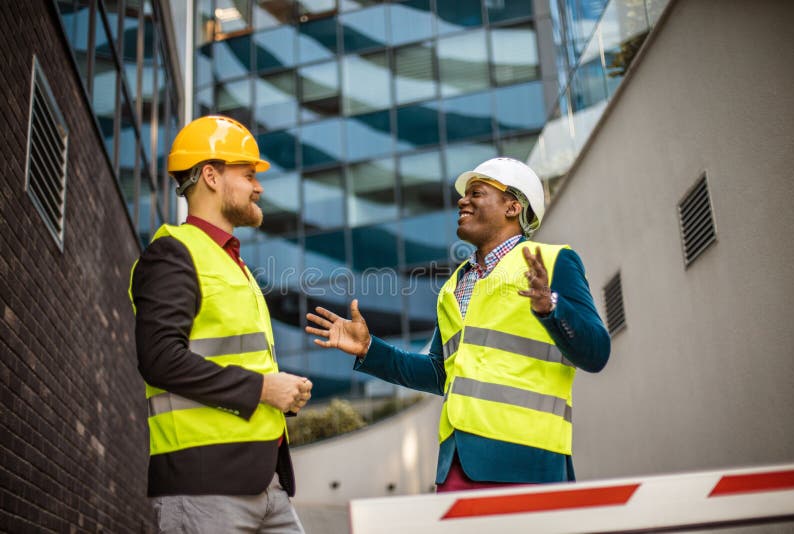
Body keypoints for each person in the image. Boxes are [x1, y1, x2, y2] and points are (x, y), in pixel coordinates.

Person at [306, 157, 610, 492]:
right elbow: (440, 374)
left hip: (529, 461)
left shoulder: (554, 262)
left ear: (512, 206)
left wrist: (550, 306)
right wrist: (369, 349)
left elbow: (596, 352)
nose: (462, 201)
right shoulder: (455, 285)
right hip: (456, 465)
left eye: (476, 193)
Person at [129, 115, 311, 532]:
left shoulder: (235, 264)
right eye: (248, 174)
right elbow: (159, 359)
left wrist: (282, 389)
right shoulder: (172, 253)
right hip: (203, 487)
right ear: (211, 176)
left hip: (267, 482)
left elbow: (233, 355)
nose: (258, 186)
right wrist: (265, 389)